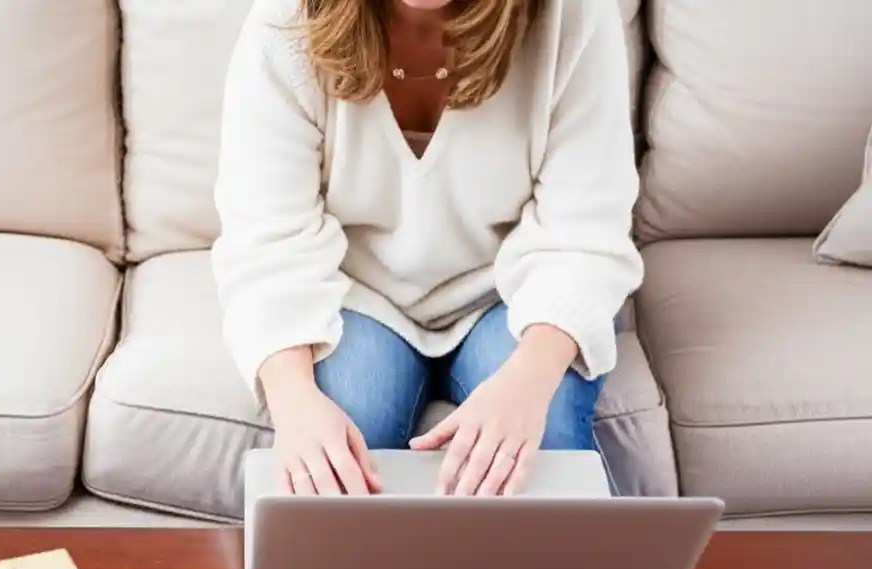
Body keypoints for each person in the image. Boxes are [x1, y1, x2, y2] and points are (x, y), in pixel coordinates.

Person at [212, 0, 642, 497]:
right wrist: (292, 398)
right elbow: (266, 236)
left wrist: (529, 380)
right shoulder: (284, 21)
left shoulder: (575, 15)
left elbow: (585, 231)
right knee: (331, 475)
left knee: (540, 459)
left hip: (515, 295)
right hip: (355, 297)